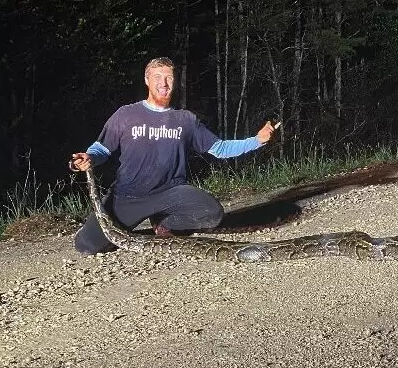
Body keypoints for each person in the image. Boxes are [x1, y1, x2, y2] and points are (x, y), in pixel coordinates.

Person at [68, 57, 279, 255]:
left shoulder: (185, 120)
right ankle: (99, 228)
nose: (164, 83)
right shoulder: (126, 115)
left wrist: (256, 140)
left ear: (175, 81)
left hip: (171, 193)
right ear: (146, 80)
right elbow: (101, 149)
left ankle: (163, 223)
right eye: (157, 77)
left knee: (211, 212)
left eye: (169, 77)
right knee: (87, 245)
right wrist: (88, 158)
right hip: (128, 196)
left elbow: (220, 148)